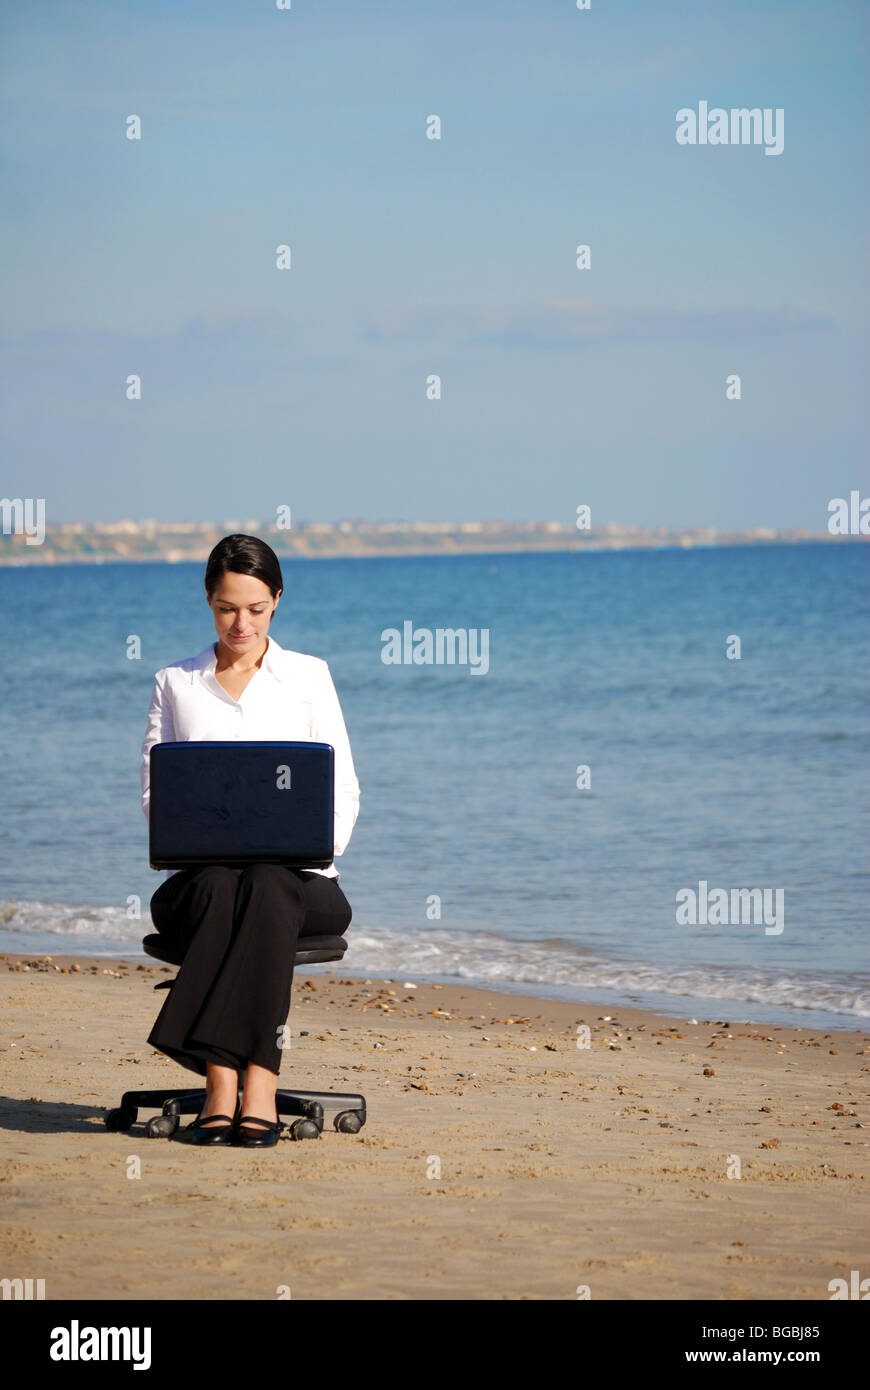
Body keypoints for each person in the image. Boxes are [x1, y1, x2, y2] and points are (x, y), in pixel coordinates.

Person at [139, 534, 360, 1146]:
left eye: (255, 609)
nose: (241, 623)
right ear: (209, 603)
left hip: (305, 884)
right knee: (222, 887)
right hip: (201, 882)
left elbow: (342, 787)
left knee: (267, 884)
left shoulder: (309, 677)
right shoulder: (174, 684)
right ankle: (225, 1084)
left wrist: (311, 846)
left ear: (277, 602)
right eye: (226, 608)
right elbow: (157, 796)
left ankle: (248, 1082)